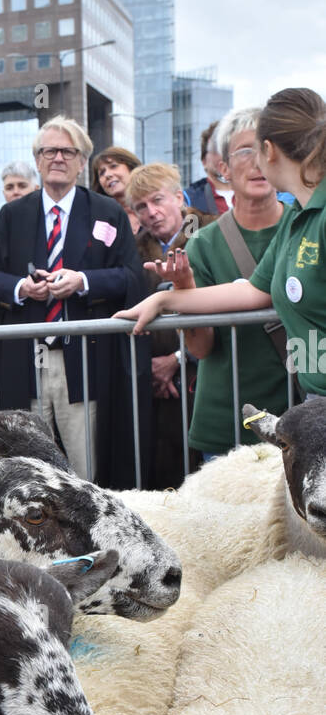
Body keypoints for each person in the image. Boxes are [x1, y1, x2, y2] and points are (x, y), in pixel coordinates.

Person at [116, 88, 326, 404]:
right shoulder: (298, 217)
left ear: (267, 150)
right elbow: (254, 290)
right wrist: (164, 299)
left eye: (252, 150)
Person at [0, 116, 146, 485]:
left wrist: (82, 281)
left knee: (85, 470)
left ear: (82, 161)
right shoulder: (12, 215)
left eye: (68, 151)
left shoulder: (107, 212)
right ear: (37, 159)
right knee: (27, 468)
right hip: (25, 362)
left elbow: (132, 277)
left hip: (84, 363)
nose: (57, 158)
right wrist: (21, 288)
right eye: (49, 150)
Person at [156, 109, 291, 460]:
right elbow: (201, 349)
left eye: (267, 148)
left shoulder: (306, 228)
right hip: (226, 418)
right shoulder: (203, 243)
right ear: (223, 169)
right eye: (245, 150)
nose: (258, 161)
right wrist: (183, 289)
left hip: (299, 414)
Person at [124, 163, 214, 486]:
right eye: (141, 207)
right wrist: (153, 369)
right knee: (164, 471)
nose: (151, 212)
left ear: (179, 197)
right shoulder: (132, 248)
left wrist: (176, 360)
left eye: (158, 200)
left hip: (205, 368)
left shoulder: (209, 232)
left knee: (208, 468)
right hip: (155, 381)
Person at [91, 146, 142, 235]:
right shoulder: (98, 219)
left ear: (131, 168)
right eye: (102, 173)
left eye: (113, 166)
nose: (107, 175)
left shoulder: (155, 207)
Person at [185, 121, 232, 216]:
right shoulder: (188, 200)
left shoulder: (255, 192)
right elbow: (189, 230)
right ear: (204, 160)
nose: (224, 154)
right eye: (217, 148)